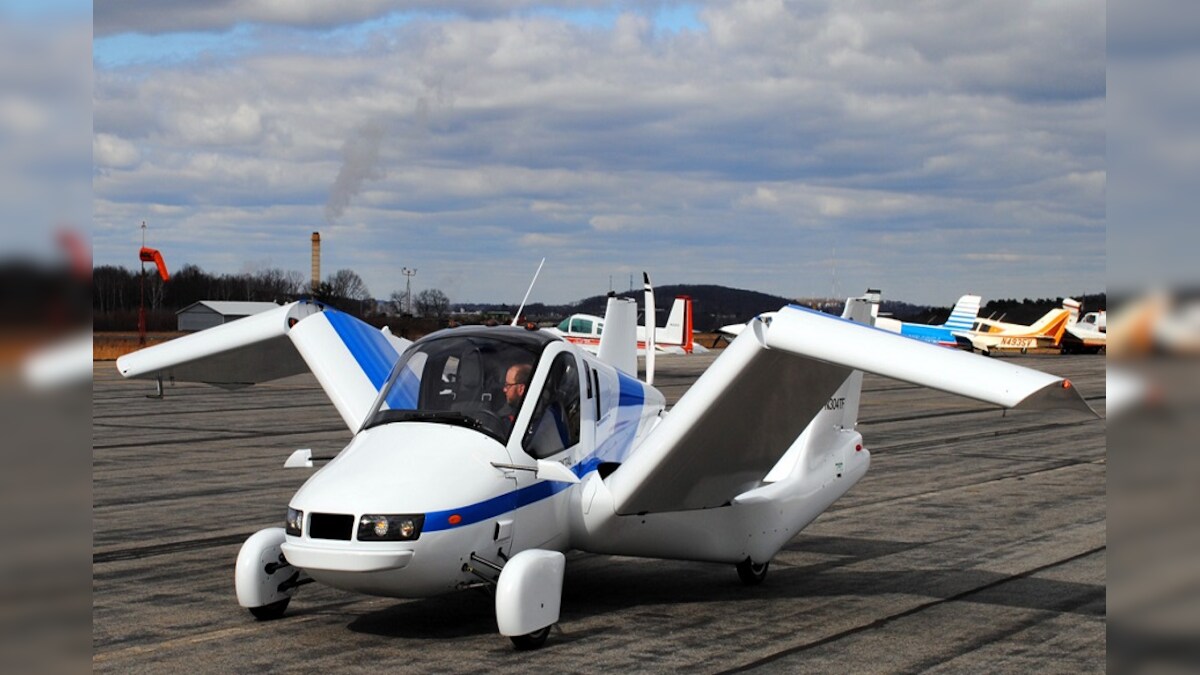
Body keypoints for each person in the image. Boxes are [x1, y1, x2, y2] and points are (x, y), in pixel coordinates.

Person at [497, 363, 532, 433]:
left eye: (508, 385)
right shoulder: (504, 414)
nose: (504, 389)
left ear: (521, 389)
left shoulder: (535, 422)